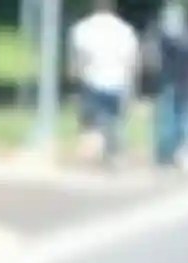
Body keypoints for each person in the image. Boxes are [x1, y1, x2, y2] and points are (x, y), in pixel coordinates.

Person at [68, 0, 139, 166]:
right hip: (118, 81)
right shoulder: (124, 30)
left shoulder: (83, 28)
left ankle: (91, 155)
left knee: (91, 124)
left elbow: (78, 59)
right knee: (115, 122)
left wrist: (75, 79)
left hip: (92, 81)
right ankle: (113, 155)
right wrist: (133, 86)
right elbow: (132, 60)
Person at [148, 0, 188, 167]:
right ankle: (169, 153)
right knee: (170, 119)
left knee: (176, 119)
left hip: (178, 83)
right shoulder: (170, 37)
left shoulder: (181, 37)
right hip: (172, 82)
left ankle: (173, 152)